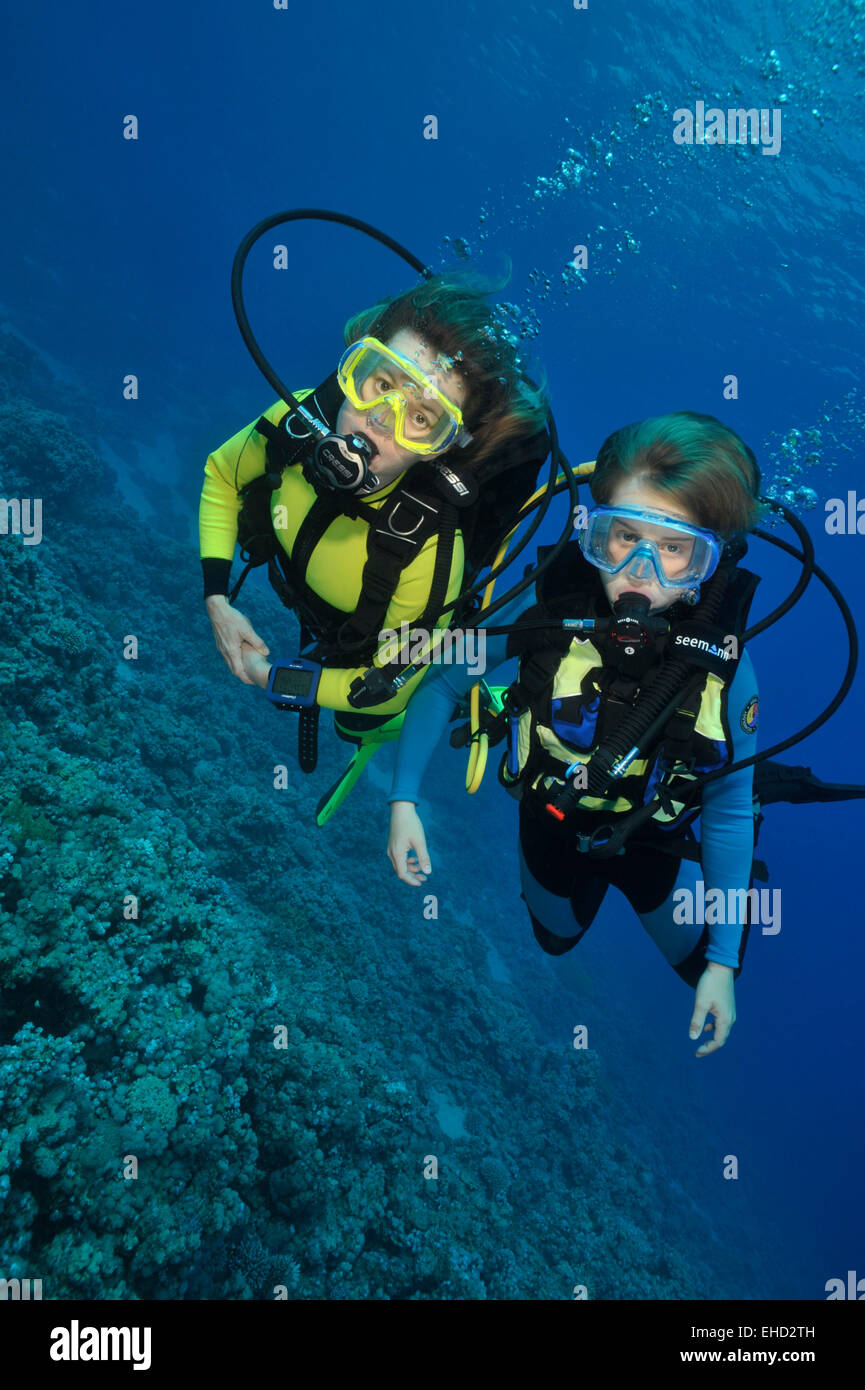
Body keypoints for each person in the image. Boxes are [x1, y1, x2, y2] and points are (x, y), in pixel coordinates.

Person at [387, 412, 767, 1058]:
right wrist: (403, 801)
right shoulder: (543, 610)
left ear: (712, 561)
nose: (641, 572)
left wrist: (723, 968)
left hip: (656, 842)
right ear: (593, 531)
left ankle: (707, 948)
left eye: (675, 549)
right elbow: (445, 684)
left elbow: (730, 808)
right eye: (623, 536)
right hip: (550, 818)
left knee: (695, 963)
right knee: (554, 938)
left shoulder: (722, 670)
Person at [198, 273, 550, 820]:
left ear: (441, 449)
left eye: (420, 419)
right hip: (306, 592)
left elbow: (378, 688)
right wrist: (217, 600)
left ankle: (421, 719)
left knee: (362, 721)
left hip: (368, 651)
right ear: (352, 372)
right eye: (381, 385)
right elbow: (222, 476)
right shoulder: (288, 432)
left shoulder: (431, 554)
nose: (379, 425)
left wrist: (275, 679)